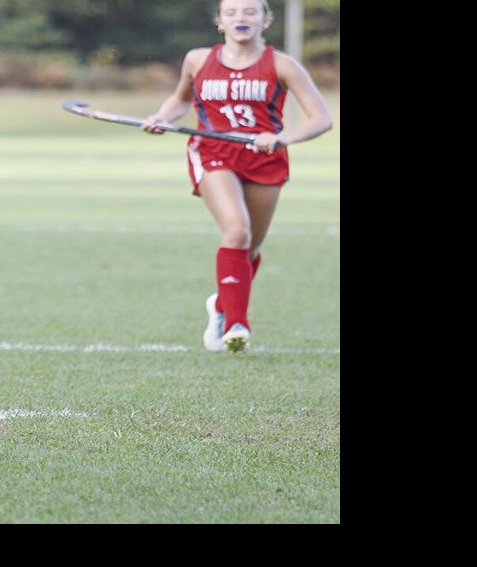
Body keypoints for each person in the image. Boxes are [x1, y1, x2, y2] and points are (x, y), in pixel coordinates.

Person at [140, 0, 333, 353]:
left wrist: (282, 138)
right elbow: (180, 101)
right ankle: (236, 325)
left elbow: (321, 118)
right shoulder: (197, 60)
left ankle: (220, 304)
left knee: (250, 248)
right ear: (220, 22)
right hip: (213, 153)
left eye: (249, 12)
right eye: (231, 13)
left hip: (265, 158)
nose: (240, 18)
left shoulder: (281, 64)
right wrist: (161, 117)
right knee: (237, 230)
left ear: (266, 20)